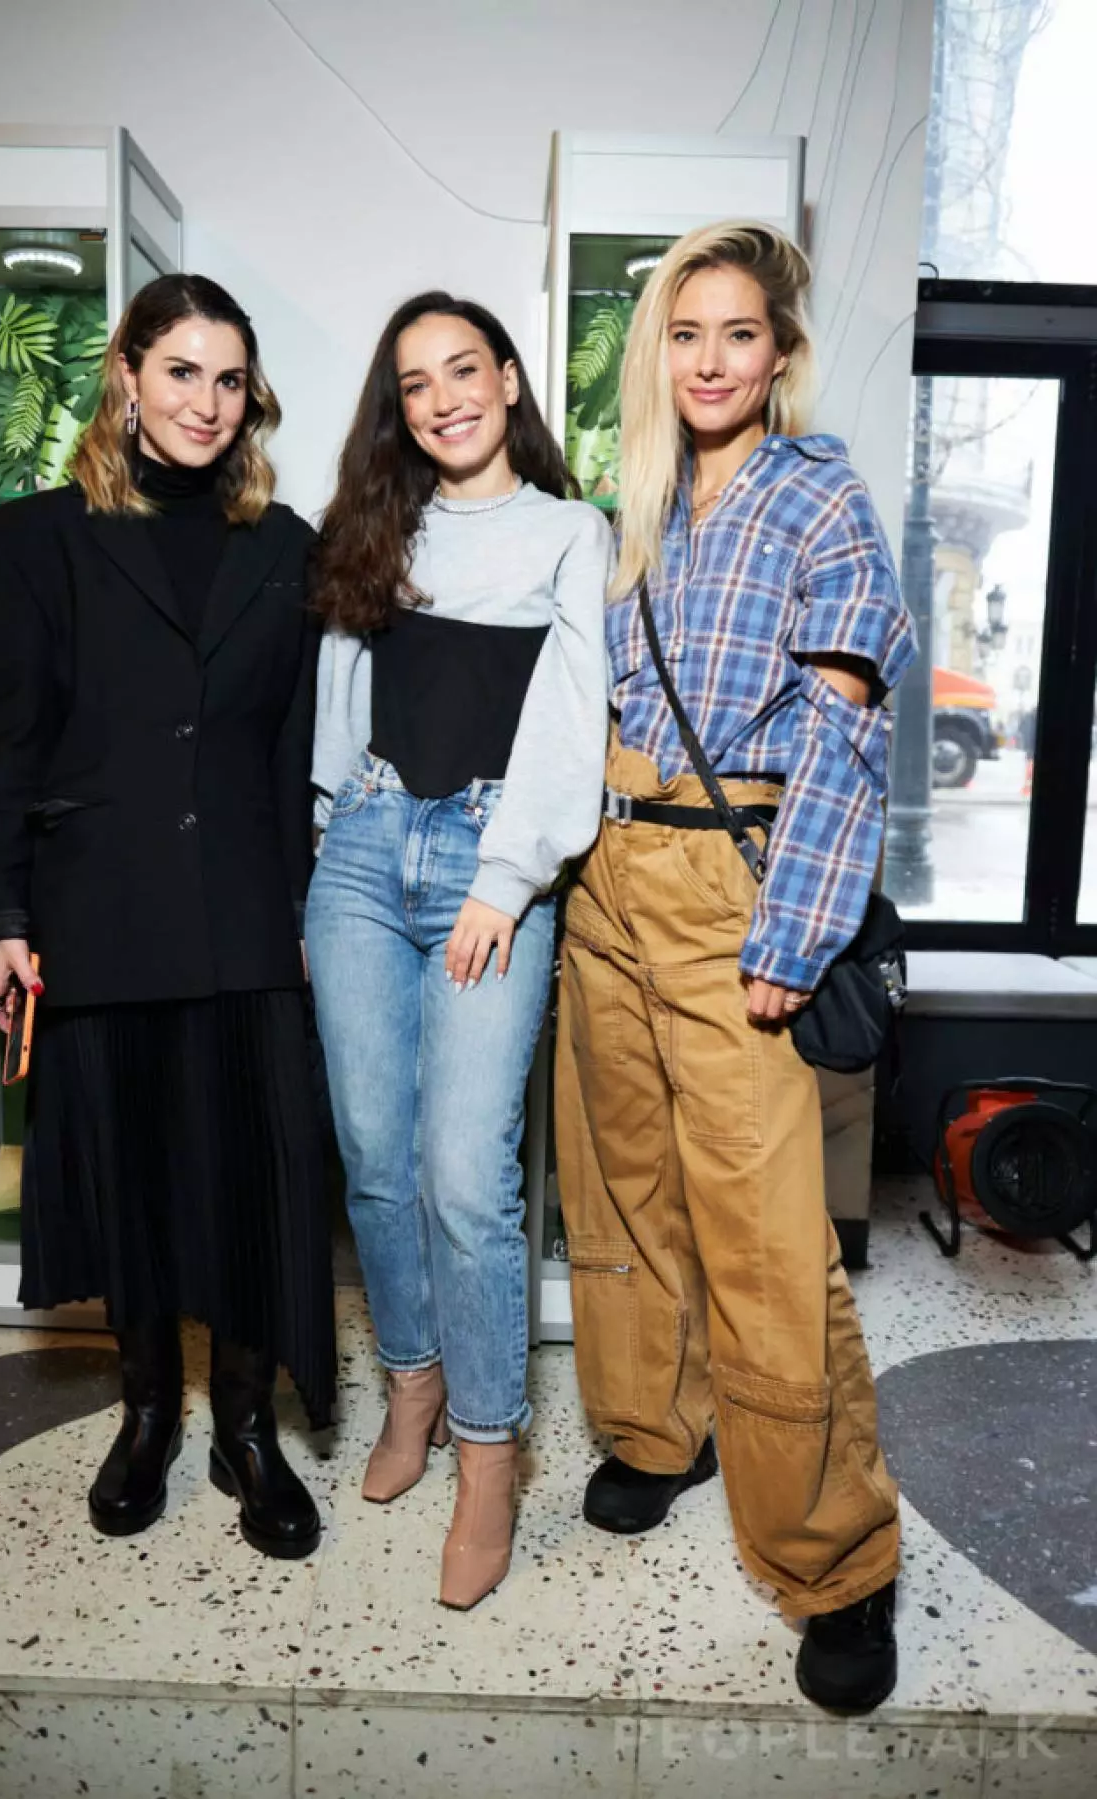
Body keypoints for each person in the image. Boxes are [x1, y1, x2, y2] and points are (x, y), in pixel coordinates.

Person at [554, 222, 916, 1711]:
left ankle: (836, 1558)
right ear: (663, 351)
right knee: (621, 1186)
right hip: (606, 875)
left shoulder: (816, 492)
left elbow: (845, 729)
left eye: (740, 334)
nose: (712, 359)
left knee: (769, 1236)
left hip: (735, 886)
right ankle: (657, 1429)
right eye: (687, 333)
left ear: (782, 350)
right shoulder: (635, 500)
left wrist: (793, 932)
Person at [0, 272, 334, 1559]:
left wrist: (305, 906)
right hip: (102, 913)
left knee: (245, 1178)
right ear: (126, 375)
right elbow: (14, 743)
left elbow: (295, 748)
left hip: (246, 919)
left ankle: (246, 1425)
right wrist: (4, 910)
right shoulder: (34, 540)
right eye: (181, 370)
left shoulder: (285, 546)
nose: (206, 401)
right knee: (130, 1180)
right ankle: (146, 1416)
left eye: (229, 378)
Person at [306, 292, 610, 1609]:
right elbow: (338, 696)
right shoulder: (380, 527)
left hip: (495, 864)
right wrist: (331, 836)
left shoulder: (568, 531)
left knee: (466, 1176)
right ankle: (412, 1384)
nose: (442, 396)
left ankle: (491, 1451)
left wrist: (506, 877)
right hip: (367, 853)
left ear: (506, 379)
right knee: (374, 1159)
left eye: (463, 368)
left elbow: (573, 711)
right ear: (401, 405)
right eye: (416, 380)